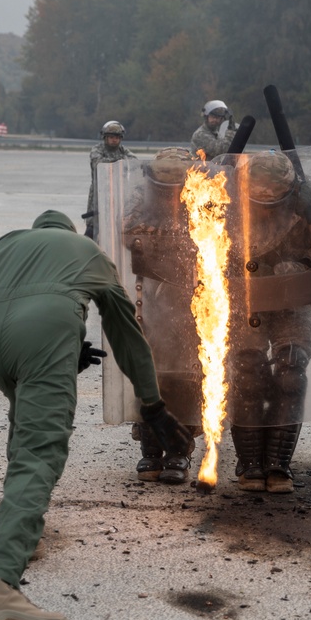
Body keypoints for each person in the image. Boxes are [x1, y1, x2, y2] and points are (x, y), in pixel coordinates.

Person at [0, 210, 192, 620]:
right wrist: (153, 405)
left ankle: (19, 535)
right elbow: (126, 335)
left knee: (26, 429)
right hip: (45, 331)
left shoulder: (1, 246)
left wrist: (63, 349)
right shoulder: (87, 250)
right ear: (68, 232)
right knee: (40, 451)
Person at [227, 151, 311, 494]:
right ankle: (249, 462)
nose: (266, 206)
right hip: (243, 296)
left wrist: (298, 268)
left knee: (291, 370)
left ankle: (279, 463)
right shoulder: (226, 196)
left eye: (274, 200)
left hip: (294, 294)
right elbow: (204, 245)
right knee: (248, 371)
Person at [121, 148, 201, 485]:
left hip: (194, 299)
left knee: (188, 376)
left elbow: (219, 234)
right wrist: (166, 234)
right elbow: (129, 232)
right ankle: (151, 451)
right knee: (152, 374)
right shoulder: (143, 196)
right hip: (151, 297)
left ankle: (180, 451)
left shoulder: (204, 193)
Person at [83, 120, 136, 240]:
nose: (114, 140)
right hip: (99, 194)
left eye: (117, 137)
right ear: (105, 137)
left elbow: (133, 161)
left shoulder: (123, 150)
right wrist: (120, 161)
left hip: (118, 194)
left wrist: (120, 161)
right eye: (111, 137)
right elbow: (99, 163)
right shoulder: (97, 149)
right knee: (92, 229)